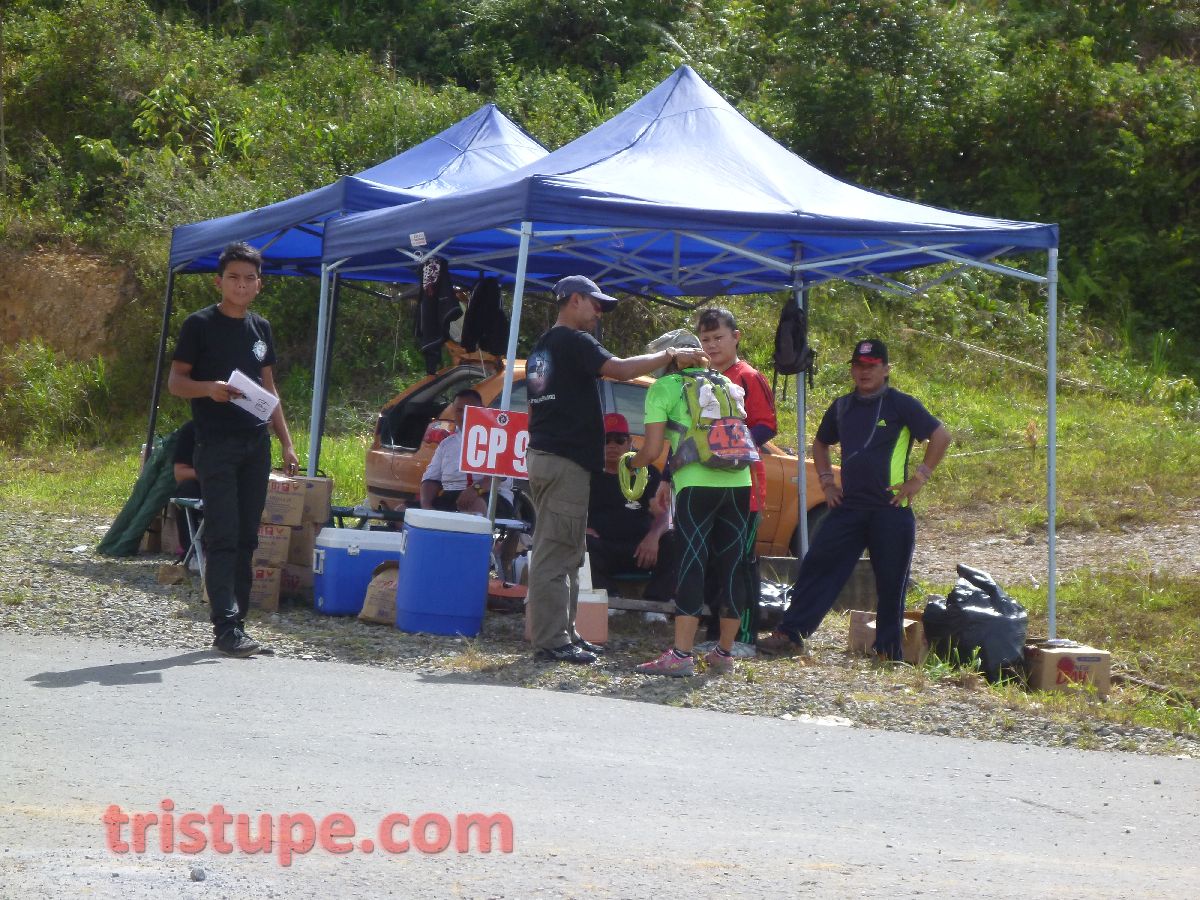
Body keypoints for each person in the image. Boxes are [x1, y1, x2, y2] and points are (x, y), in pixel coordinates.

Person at [525, 275, 709, 664]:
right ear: (574, 300)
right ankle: (550, 641)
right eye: (596, 304)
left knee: (571, 553)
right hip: (562, 460)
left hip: (550, 458)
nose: (599, 313)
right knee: (555, 554)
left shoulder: (543, 346)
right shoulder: (571, 340)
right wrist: (669, 355)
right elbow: (621, 370)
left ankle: (565, 634)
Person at [759, 339, 951, 660]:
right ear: (852, 369)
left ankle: (888, 651)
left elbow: (941, 436)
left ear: (886, 370)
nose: (864, 372)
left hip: (890, 509)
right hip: (848, 507)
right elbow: (820, 445)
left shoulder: (901, 404)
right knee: (817, 565)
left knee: (891, 582)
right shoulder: (842, 406)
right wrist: (826, 482)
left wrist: (918, 479)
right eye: (859, 366)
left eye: (872, 366)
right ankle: (790, 634)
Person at [168, 242, 299, 658]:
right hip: (216, 443)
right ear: (219, 281)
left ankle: (238, 624)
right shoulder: (199, 325)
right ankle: (224, 627)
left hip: (255, 443)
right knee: (223, 535)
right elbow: (175, 382)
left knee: (246, 537)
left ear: (259, 284)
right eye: (233, 277)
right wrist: (209, 389)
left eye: (249, 278)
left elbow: (269, 388)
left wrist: (287, 441)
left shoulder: (261, 328)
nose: (241, 285)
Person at [626, 330, 754, 676]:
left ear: (665, 360)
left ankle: (681, 656)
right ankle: (724, 653)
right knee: (731, 564)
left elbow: (651, 451)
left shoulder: (664, 389)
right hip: (740, 480)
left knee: (692, 561)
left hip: (697, 484)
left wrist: (631, 463)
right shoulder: (725, 383)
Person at [696, 307, 777, 648]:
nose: (712, 346)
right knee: (714, 560)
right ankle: (716, 634)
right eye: (705, 340)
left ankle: (743, 637)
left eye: (718, 338)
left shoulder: (747, 376)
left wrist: (731, 448)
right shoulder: (700, 379)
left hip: (745, 485)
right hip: (707, 481)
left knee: (740, 561)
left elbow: (766, 425)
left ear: (735, 337)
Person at [585, 412, 675, 600]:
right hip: (603, 548)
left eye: (619, 440)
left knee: (674, 540)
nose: (612, 446)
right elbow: (571, 508)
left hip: (641, 550)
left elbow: (664, 515)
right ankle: (609, 596)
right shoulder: (588, 474)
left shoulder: (646, 473)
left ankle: (655, 603)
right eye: (606, 440)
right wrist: (581, 528)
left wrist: (653, 536)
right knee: (581, 542)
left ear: (630, 442)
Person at [420, 388, 515, 518]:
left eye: (469, 410)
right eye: (459, 411)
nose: (464, 415)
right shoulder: (446, 444)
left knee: (473, 506)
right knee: (403, 512)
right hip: (451, 495)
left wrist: (475, 490)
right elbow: (431, 479)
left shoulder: (497, 438)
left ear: (482, 409)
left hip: (491, 497)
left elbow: (500, 477)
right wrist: (426, 507)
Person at [171, 419, 201, 558]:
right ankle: (191, 551)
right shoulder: (191, 429)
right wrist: (209, 473)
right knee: (185, 489)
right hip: (204, 484)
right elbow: (179, 473)